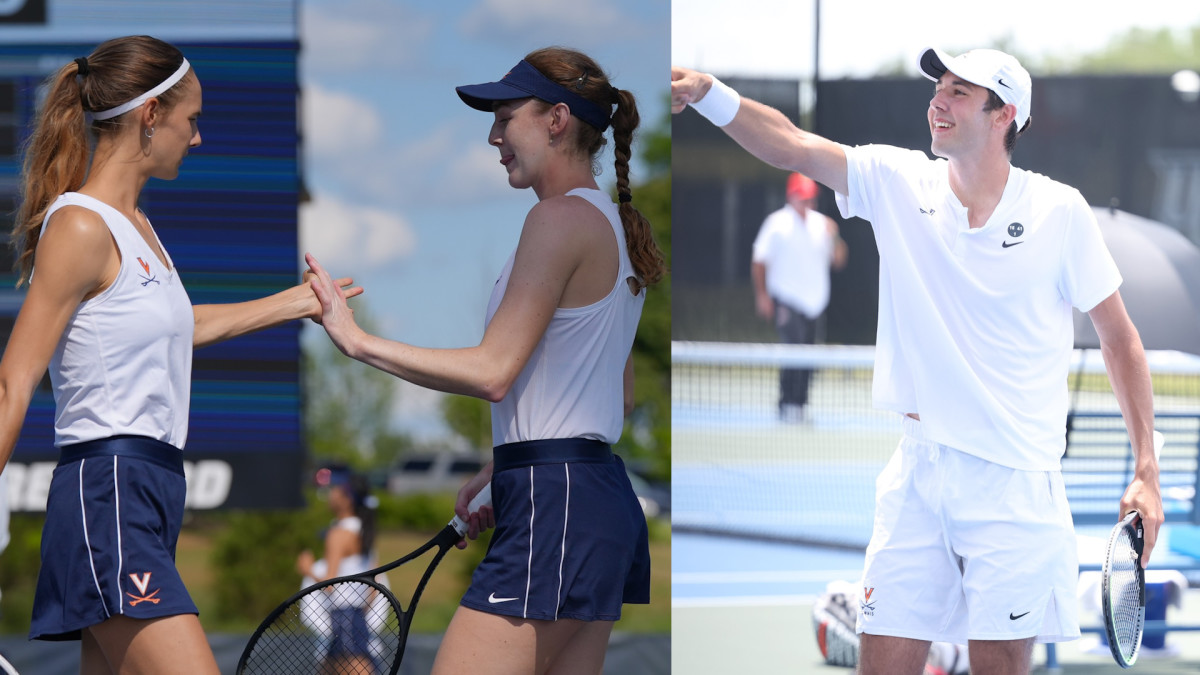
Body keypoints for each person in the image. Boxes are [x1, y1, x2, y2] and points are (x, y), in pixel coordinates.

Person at [673, 47, 1162, 675]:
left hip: (1015, 484)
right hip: (917, 473)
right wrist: (711, 92)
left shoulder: (1060, 212)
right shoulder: (896, 179)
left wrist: (1147, 468)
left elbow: (1121, 340)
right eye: (939, 86)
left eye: (961, 91)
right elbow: (792, 144)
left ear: (1003, 114)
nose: (938, 99)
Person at [0, 36, 359, 673]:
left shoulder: (138, 226)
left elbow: (177, 327)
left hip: (152, 489)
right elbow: (14, 379)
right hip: (108, 490)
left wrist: (298, 302)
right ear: (150, 116)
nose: (197, 138)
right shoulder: (81, 225)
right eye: (191, 120)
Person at [306, 46, 665, 675]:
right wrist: (506, 466)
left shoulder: (557, 221)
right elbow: (615, 394)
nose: (493, 135)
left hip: (557, 504)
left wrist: (356, 341)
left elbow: (494, 371)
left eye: (505, 116)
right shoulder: (611, 225)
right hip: (591, 497)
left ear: (557, 119)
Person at [751, 172, 847, 421]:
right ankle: (787, 404)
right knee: (793, 351)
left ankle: (801, 405)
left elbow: (838, 261)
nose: (808, 205)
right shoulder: (776, 224)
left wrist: (835, 236)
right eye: (802, 199)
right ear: (791, 197)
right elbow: (759, 261)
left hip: (814, 303)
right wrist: (762, 296)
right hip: (786, 300)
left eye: (811, 199)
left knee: (808, 355)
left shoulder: (823, 225)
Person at [297, 470, 387, 675]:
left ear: (346, 499)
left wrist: (308, 569)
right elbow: (374, 586)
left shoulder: (338, 534)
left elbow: (329, 585)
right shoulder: (364, 532)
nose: (330, 494)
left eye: (334, 489)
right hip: (354, 619)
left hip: (344, 621)